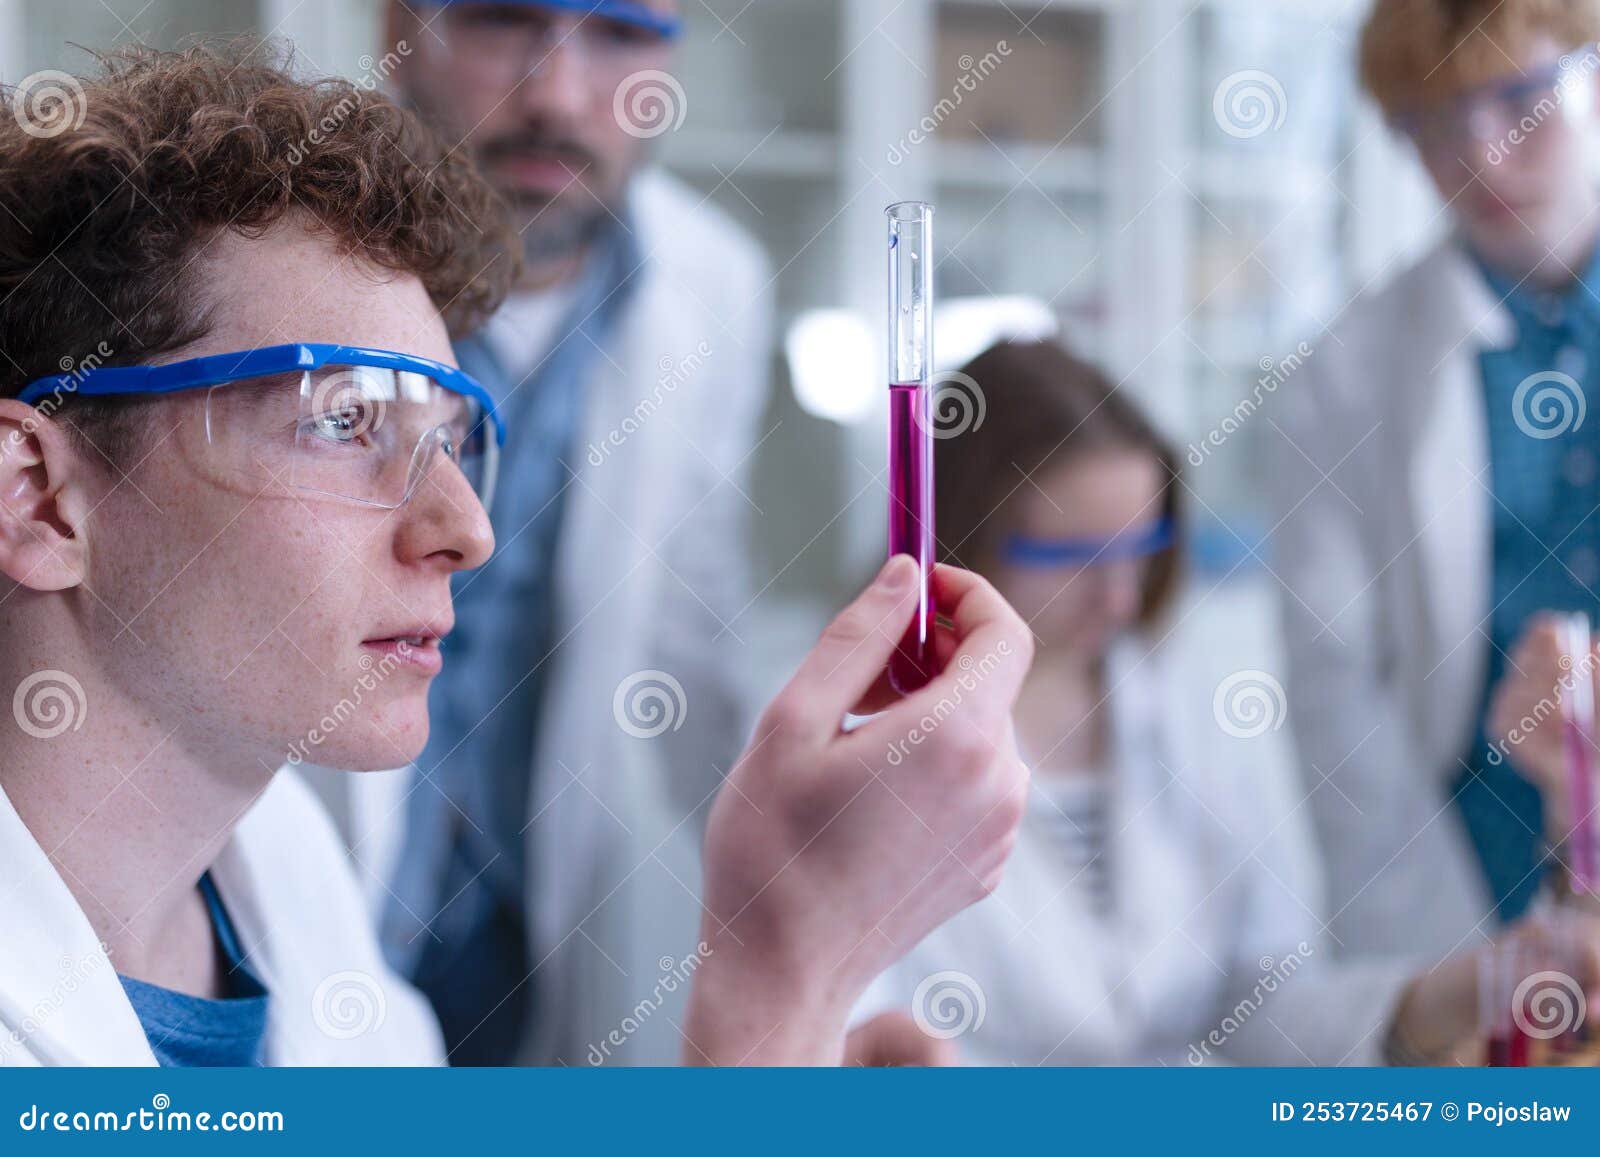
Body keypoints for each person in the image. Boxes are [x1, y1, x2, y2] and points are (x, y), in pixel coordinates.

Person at [0, 44, 1031, 1067]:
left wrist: (791, 1050)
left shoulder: (283, 882)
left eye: (452, 441)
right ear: (40, 498)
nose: (469, 531)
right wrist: (781, 980)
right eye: (345, 420)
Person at [857, 342, 1600, 1064]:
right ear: (954, 533)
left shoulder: (1190, 714)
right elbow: (854, 1033)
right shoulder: (868, 744)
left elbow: (1260, 1007)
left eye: (1137, 547)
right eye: (1070, 556)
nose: (1119, 597)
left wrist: (1460, 990)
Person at [354, 0, 777, 1065]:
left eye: (619, 34)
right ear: (398, 27)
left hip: (514, 934)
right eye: (502, 21)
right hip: (297, 887)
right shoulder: (281, 257)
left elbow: (691, 636)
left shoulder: (714, 286)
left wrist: (811, 903)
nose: (554, 94)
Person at [1270, 0, 1600, 960]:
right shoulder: (1346, 377)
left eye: (1521, 100)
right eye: (1433, 124)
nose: (1483, 157)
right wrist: (1424, 973)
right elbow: (1337, 689)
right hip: (1459, 874)